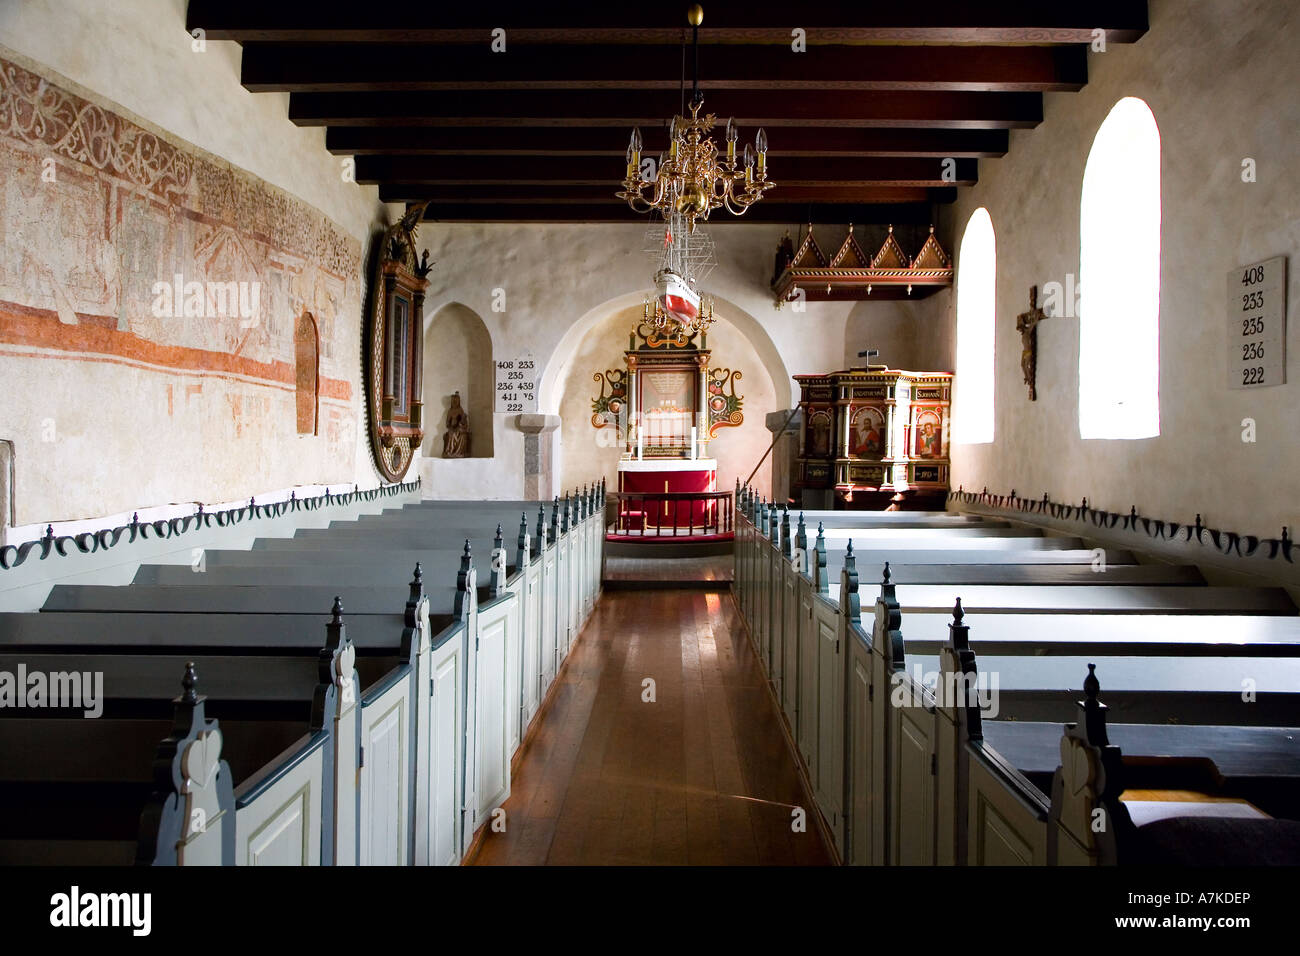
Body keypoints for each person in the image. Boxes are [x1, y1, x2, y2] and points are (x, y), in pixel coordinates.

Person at [443, 392, 470, 458]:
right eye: (453, 401)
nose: (455, 402)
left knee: (463, 436)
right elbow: (447, 423)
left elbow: (464, 422)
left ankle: (460, 452)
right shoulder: (450, 411)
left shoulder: (460, 410)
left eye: (456, 401)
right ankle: (450, 451)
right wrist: (451, 426)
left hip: (460, 429)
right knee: (451, 435)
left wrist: (461, 425)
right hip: (452, 428)